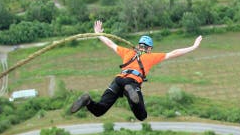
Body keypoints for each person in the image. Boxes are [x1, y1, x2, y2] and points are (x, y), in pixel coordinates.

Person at [69, 20, 202, 121]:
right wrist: (193, 47)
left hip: (118, 80)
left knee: (99, 110)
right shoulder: (150, 56)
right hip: (132, 82)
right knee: (141, 116)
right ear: (149, 48)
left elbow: (111, 44)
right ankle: (130, 92)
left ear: (139, 46)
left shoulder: (128, 52)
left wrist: (98, 33)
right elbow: (174, 53)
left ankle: (87, 100)